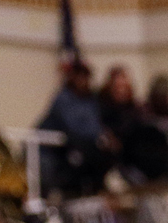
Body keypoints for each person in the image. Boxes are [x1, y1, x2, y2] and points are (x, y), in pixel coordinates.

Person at [37, 60, 112, 197]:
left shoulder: (91, 100)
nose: (83, 81)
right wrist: (98, 136)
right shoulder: (63, 99)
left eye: (86, 77)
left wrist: (103, 137)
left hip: (75, 147)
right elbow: (73, 127)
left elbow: (94, 124)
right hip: (52, 150)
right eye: (79, 77)